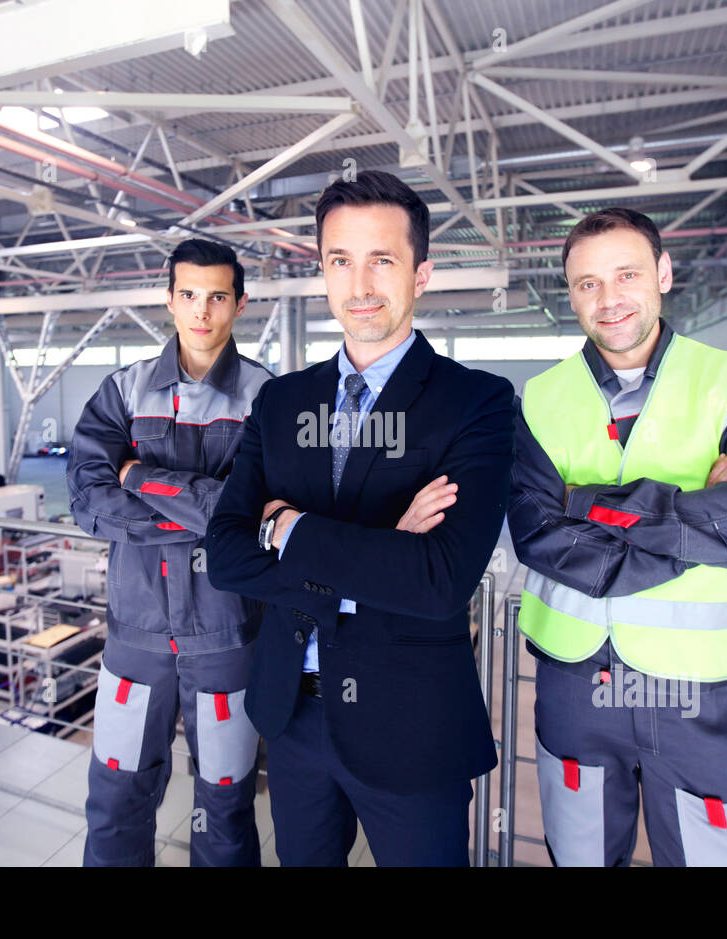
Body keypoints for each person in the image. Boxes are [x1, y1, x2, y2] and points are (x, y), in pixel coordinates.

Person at [205, 170, 514, 866]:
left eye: (383, 259)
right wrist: (377, 556)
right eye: (341, 260)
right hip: (293, 717)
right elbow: (224, 554)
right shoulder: (281, 403)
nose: (361, 284)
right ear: (321, 271)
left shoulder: (477, 403)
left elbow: (439, 581)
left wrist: (287, 530)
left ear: (422, 272)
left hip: (413, 727)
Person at [508, 207, 727, 867]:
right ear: (571, 294)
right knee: (579, 856)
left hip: (696, 688)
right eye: (587, 284)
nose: (608, 300)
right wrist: (691, 510)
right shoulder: (539, 400)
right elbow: (535, 533)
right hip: (576, 683)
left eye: (626, 274)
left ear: (663, 274)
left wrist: (582, 502)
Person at [68, 238, 272, 866]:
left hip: (227, 639)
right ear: (169, 300)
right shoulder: (123, 392)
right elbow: (85, 500)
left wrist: (136, 478)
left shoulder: (270, 397)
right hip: (136, 637)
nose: (201, 311)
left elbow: (246, 514)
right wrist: (202, 513)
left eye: (217, 297)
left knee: (226, 809)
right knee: (115, 802)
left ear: (239, 304)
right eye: (188, 295)